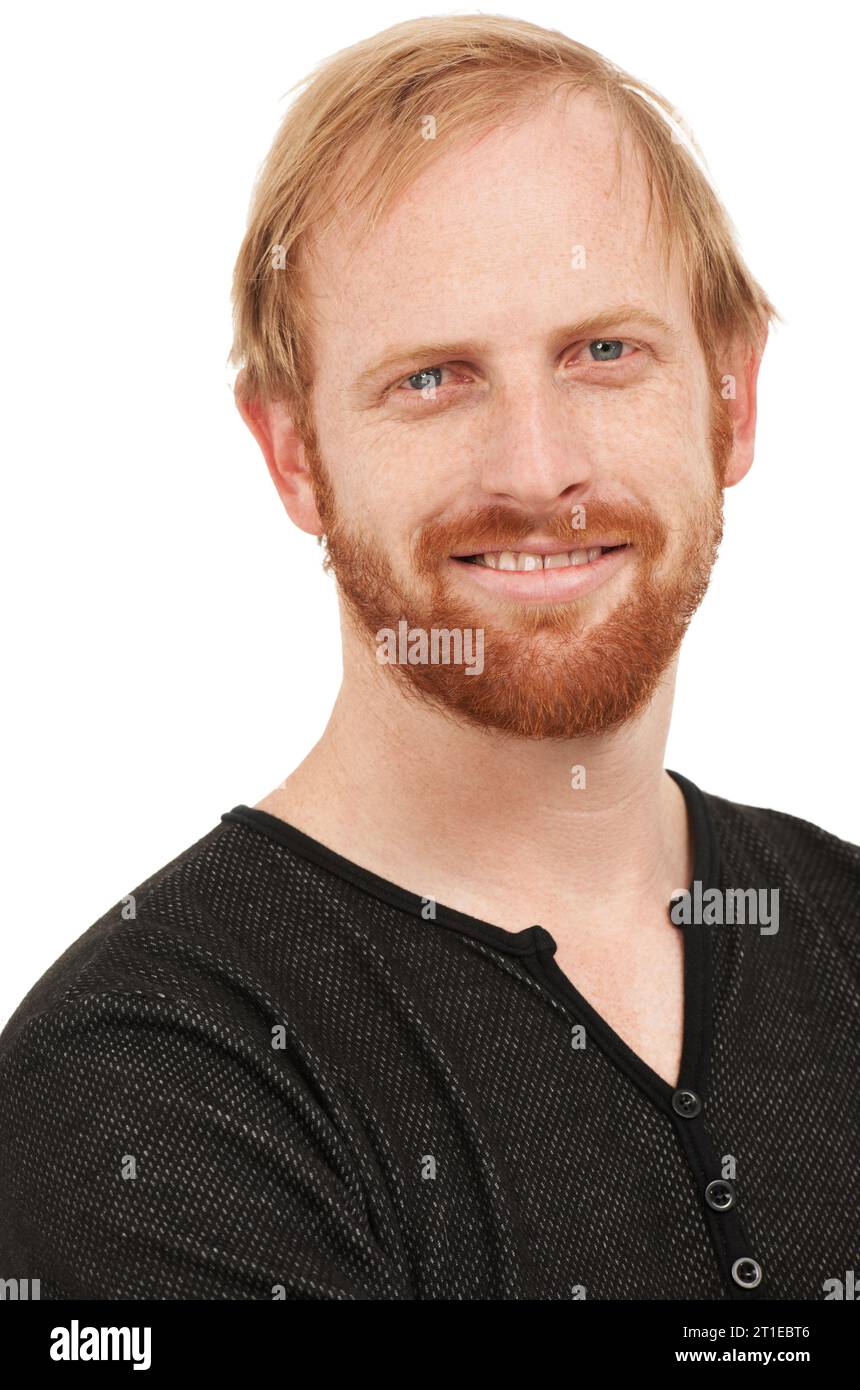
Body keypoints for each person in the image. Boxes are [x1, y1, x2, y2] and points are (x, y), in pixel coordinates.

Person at [0, 14, 857, 1301]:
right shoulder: (149, 1077)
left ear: (730, 398)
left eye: (603, 351)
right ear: (293, 455)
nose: (535, 469)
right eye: (433, 378)